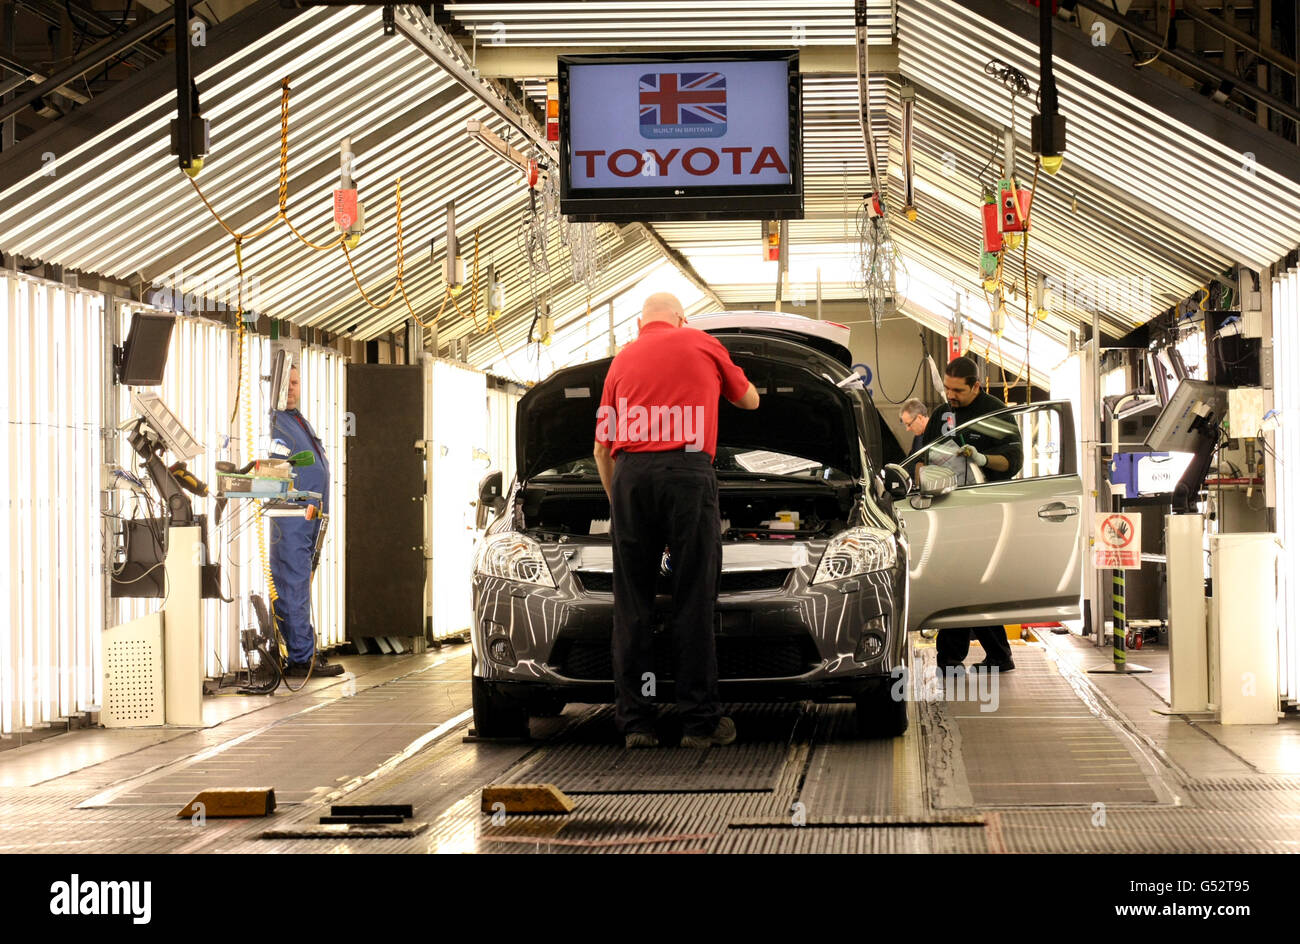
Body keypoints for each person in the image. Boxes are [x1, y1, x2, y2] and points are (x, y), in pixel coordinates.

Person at [593, 292, 760, 749]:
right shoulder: (701, 343)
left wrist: (620, 501)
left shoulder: (620, 361)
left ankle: (637, 725)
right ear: (682, 318)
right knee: (692, 598)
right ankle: (698, 724)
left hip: (630, 477)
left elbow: (601, 449)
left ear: (640, 322)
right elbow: (750, 402)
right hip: (687, 473)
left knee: (633, 606)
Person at [916, 356, 1023, 674]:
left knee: (972, 582)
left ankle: (969, 656)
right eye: (947, 388)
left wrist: (983, 458)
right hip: (949, 510)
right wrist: (923, 479)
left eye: (958, 390)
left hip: (987, 510)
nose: (951, 395)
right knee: (955, 581)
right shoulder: (942, 413)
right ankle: (958, 656)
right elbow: (922, 456)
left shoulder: (995, 412)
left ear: (976, 385)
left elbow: (1013, 461)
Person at [269, 364, 344, 678]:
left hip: (308, 517)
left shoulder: (297, 420)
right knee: (293, 582)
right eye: (285, 384)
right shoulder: (275, 423)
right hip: (291, 519)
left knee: (299, 582)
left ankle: (303, 650)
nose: (291, 389)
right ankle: (302, 656)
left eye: (295, 383)